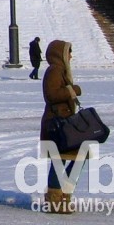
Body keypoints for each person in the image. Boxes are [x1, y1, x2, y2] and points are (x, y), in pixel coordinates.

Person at [40, 39, 83, 213]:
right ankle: (55, 200)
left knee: (76, 158)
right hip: (57, 124)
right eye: (69, 53)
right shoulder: (54, 71)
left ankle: (63, 196)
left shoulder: (60, 71)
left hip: (65, 123)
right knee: (60, 160)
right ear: (61, 55)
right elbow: (51, 94)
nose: (71, 56)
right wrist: (73, 90)